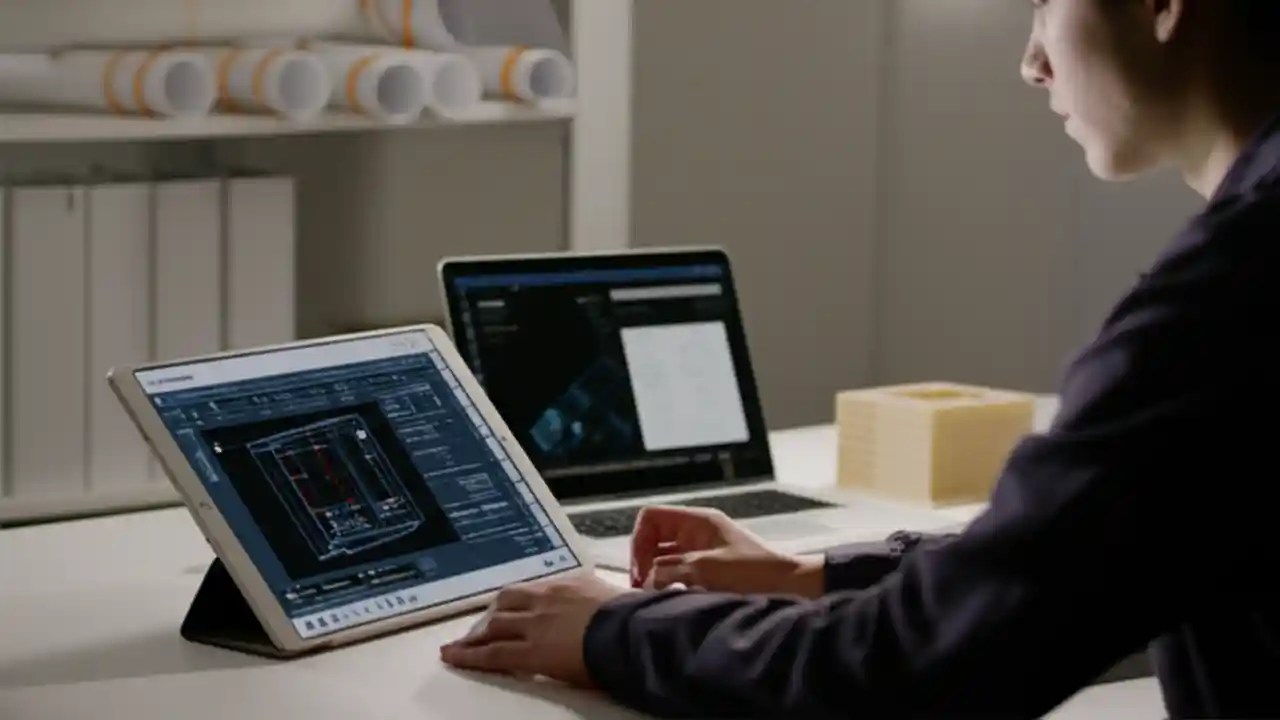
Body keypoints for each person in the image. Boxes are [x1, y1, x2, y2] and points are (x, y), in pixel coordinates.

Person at [440, 0, 1280, 716]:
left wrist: (611, 629)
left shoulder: (1226, 299)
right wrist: (814, 574)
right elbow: (1095, 554)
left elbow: (912, 669)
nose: (1032, 64)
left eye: (1045, 4)